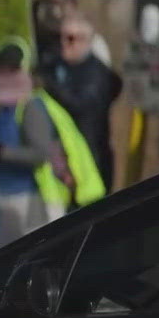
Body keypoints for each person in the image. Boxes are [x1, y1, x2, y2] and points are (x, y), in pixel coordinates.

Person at [0, 41, 104, 246]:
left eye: (11, 68)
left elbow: (39, 154)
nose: (3, 74)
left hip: (35, 203)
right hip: (11, 200)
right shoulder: (9, 106)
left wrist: (0, 151)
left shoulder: (32, 106)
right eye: (2, 67)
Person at [44, 14, 122, 191]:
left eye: (70, 38)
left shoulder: (96, 74)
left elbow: (81, 105)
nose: (63, 43)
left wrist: (49, 87)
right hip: (62, 159)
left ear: (86, 41)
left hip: (90, 157)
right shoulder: (54, 66)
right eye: (59, 37)